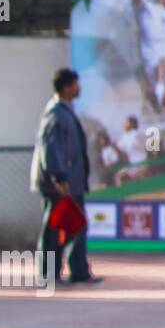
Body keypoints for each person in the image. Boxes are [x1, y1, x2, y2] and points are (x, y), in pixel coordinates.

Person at [30, 67, 99, 285]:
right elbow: (50, 148)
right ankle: (48, 274)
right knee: (54, 230)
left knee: (75, 226)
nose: (79, 88)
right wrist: (59, 176)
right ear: (66, 87)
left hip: (71, 183)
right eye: (76, 84)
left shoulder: (65, 111)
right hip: (59, 184)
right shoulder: (56, 114)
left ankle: (79, 271)